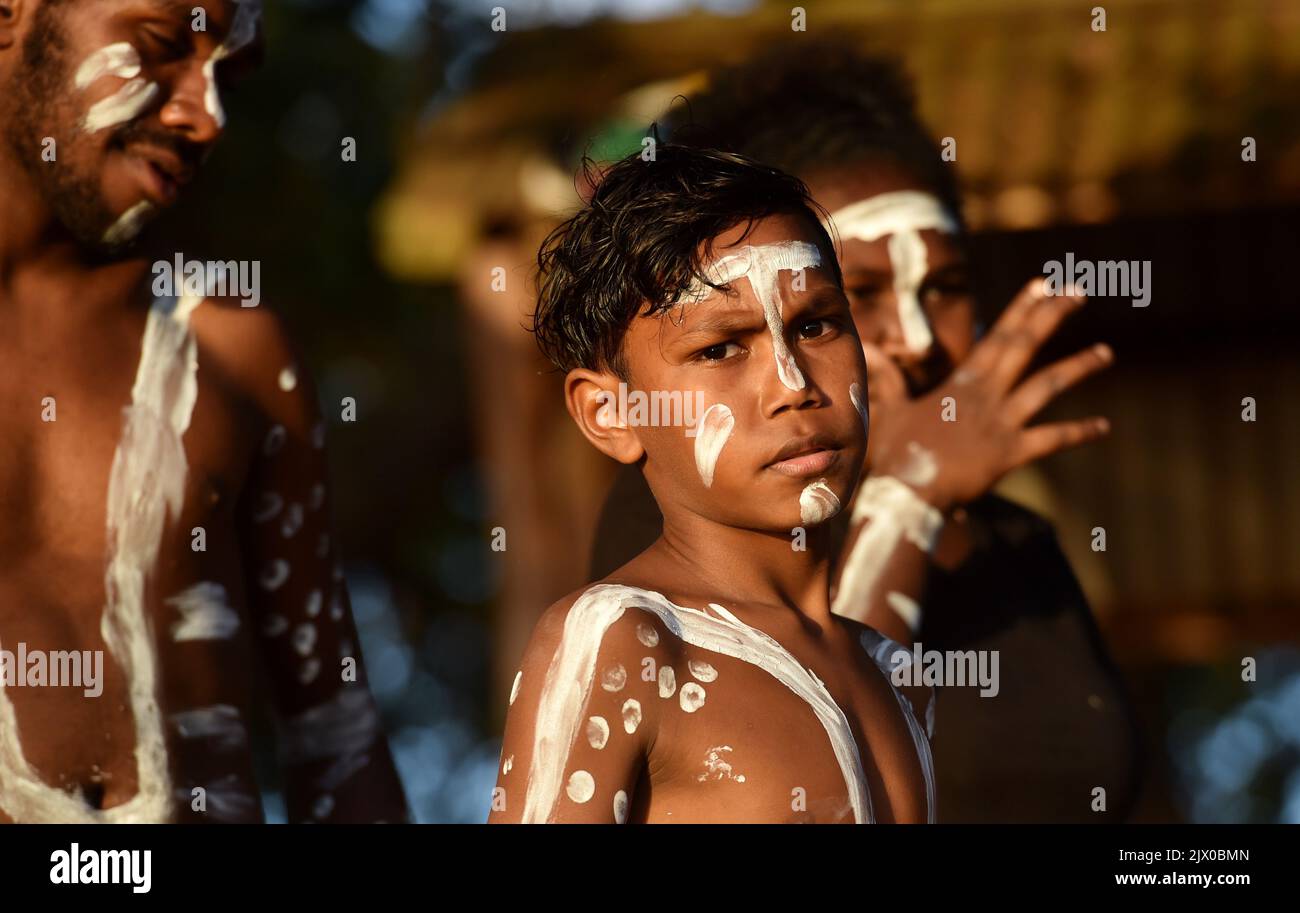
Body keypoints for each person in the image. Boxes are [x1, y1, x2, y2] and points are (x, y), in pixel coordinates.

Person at [590, 43, 1143, 822]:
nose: (917, 340)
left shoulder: (1019, 548)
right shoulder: (679, 523)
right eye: (859, 295)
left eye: (944, 287)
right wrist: (906, 502)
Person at [0, 0, 406, 822]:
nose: (207, 116)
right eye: (158, 47)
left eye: (226, 75)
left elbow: (336, 737)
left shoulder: (233, 351)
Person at [490, 143, 936, 824]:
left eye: (815, 325)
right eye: (720, 347)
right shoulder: (622, 640)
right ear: (613, 414)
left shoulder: (893, 672)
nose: (793, 386)